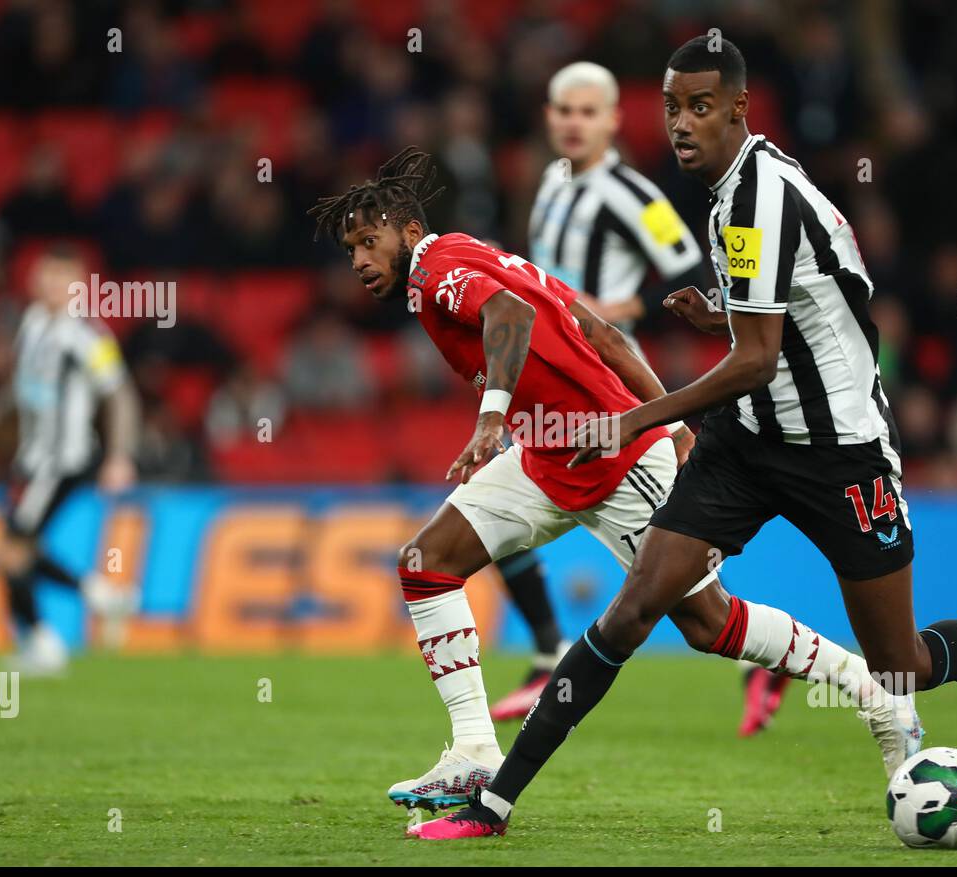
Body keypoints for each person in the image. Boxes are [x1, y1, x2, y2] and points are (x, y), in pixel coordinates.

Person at [407, 36, 957, 841]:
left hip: (840, 448)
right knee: (634, 609)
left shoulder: (757, 195)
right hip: (745, 441)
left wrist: (637, 419)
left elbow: (757, 358)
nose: (682, 123)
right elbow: (814, 298)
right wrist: (723, 314)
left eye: (701, 107)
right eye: (672, 107)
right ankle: (492, 807)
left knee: (900, 663)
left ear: (739, 109)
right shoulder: (732, 187)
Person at [307, 147, 920, 811]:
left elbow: (508, 320)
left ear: (408, 231)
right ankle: (473, 752)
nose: (361, 262)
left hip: (616, 457)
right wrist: (676, 427)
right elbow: (602, 334)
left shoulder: (438, 270)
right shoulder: (476, 254)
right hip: (546, 456)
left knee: (709, 624)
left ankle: (874, 695)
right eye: (350, 252)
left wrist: (497, 419)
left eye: (368, 242)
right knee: (426, 563)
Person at [526, 60, 787, 733]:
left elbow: (688, 271)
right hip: (557, 387)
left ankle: (764, 651)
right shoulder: (552, 185)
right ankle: (548, 651)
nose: (574, 123)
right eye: (563, 110)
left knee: (665, 568)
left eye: (589, 111)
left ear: (614, 120)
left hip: (617, 392)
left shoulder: (630, 194)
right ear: (549, 118)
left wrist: (619, 304)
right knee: (512, 509)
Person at [0, 245, 140, 674]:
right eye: (46, 276)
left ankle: (43, 642)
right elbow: (25, 384)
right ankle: (104, 597)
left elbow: (120, 394)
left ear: (79, 285)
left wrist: (119, 456)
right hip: (31, 456)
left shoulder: (88, 335)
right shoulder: (33, 320)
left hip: (62, 460)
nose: (51, 286)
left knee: (11, 548)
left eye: (62, 278)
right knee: (19, 547)